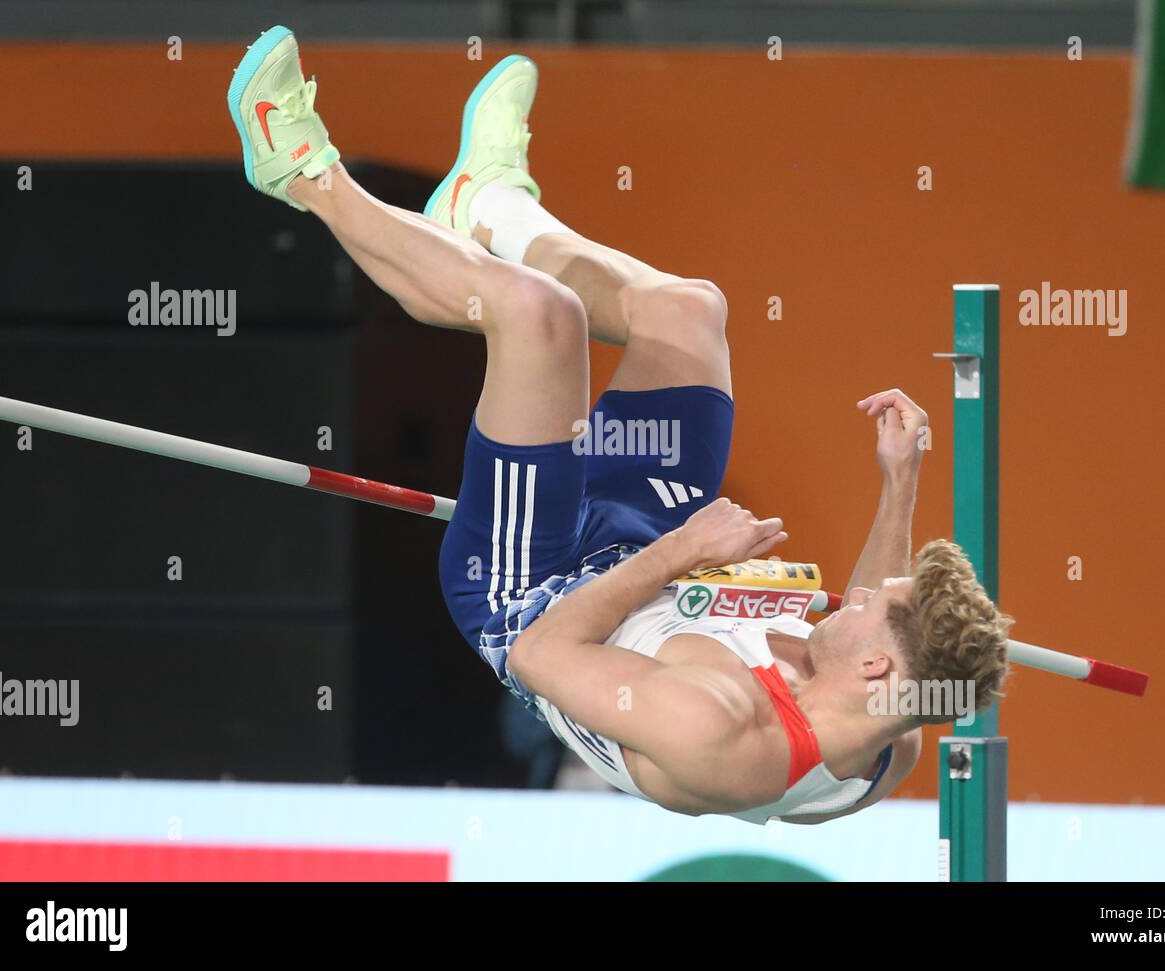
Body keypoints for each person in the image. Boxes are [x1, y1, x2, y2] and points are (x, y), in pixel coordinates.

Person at [228, 27, 1012, 824]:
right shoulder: (889, 742)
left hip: (536, 585)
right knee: (689, 310)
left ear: (876, 663)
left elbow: (540, 658)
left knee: (538, 316)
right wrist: (899, 480)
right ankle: (489, 205)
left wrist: (684, 549)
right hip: (648, 550)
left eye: (869, 607)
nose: (857, 594)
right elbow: (886, 615)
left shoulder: (721, 731)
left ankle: (301, 172)